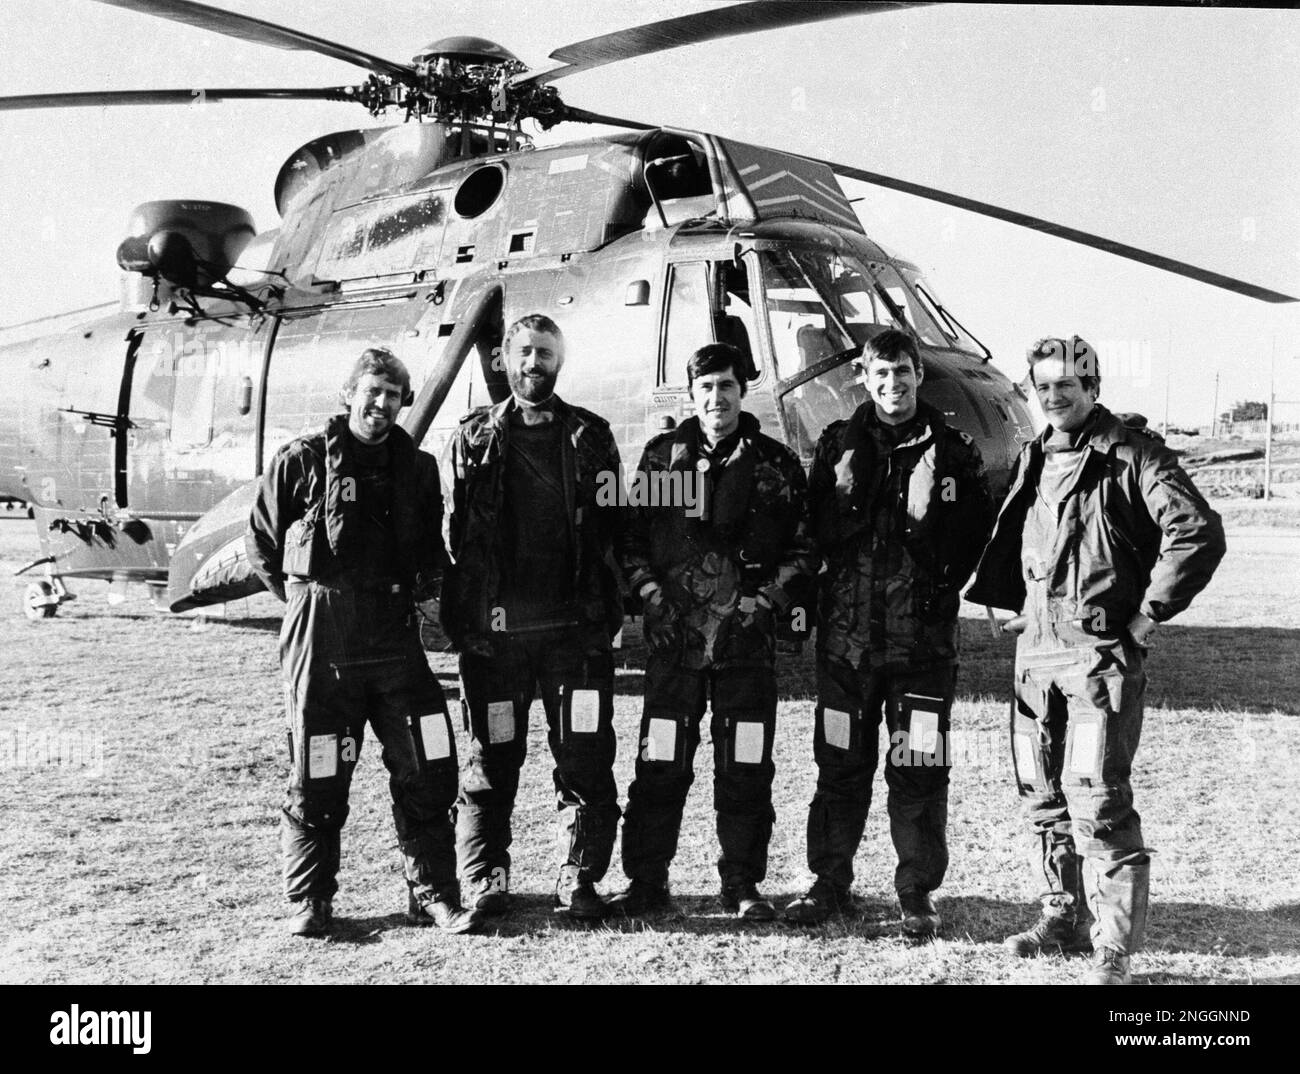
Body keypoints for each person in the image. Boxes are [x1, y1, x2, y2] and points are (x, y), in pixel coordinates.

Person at [968, 335, 1225, 984]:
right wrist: (1019, 602)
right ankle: (1062, 917)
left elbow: (1196, 530)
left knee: (1097, 799)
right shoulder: (1036, 456)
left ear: (1094, 388)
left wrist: (1147, 615)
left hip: (1093, 667)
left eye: (1067, 386)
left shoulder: (1132, 455)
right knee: (1041, 793)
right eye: (1043, 387)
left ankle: (1114, 948)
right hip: (1036, 661)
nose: (1054, 397)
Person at [246, 347, 479, 937]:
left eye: (393, 395)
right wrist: (309, 602)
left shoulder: (417, 469)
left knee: (428, 759)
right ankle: (310, 900)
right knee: (319, 767)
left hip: (394, 635)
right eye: (371, 391)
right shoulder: (300, 461)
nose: (381, 404)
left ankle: (432, 894)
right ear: (350, 393)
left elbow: (430, 550)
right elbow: (263, 546)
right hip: (323, 633)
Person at [786, 328, 994, 937]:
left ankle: (916, 893)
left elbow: (975, 531)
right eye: (880, 373)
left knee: (920, 769)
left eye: (902, 372)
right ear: (865, 378)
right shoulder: (834, 447)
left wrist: (944, 586)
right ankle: (828, 883)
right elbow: (810, 530)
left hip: (921, 648)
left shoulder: (953, 452)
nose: (892, 384)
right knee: (839, 766)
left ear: (917, 376)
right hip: (846, 650)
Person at [609, 342, 816, 920]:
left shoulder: (776, 463)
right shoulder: (662, 460)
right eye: (706, 387)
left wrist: (764, 603)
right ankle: (647, 880)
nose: (716, 397)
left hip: (745, 645)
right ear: (691, 392)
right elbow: (630, 540)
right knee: (660, 763)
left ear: (740, 390)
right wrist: (651, 597)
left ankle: (743, 883)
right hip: (675, 643)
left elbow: (802, 550)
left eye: (726, 386)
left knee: (745, 766)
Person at [441, 313, 625, 921]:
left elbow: (612, 533)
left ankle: (578, 876)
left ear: (560, 359)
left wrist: (608, 613)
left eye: (544, 353)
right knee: (492, 759)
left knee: (583, 758)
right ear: (503, 360)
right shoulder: (471, 439)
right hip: (498, 642)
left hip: (573, 635)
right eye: (523, 352)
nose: (533, 363)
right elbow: (453, 537)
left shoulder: (593, 437)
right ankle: (486, 877)